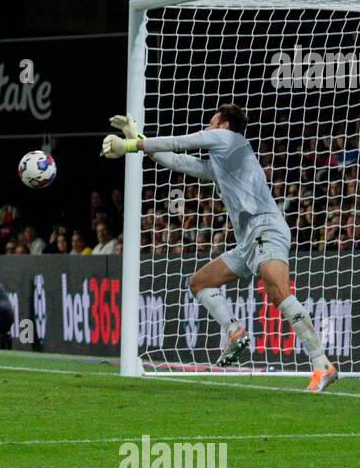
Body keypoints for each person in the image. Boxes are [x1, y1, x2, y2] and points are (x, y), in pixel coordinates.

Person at [102, 103, 337, 391]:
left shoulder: (228, 139)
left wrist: (129, 145)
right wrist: (137, 135)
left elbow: (180, 142)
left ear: (224, 125)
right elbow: (175, 160)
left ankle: (321, 362)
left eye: (212, 122)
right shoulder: (220, 163)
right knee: (200, 283)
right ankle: (236, 332)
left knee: (278, 293)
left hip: (266, 227)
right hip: (247, 241)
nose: (208, 127)